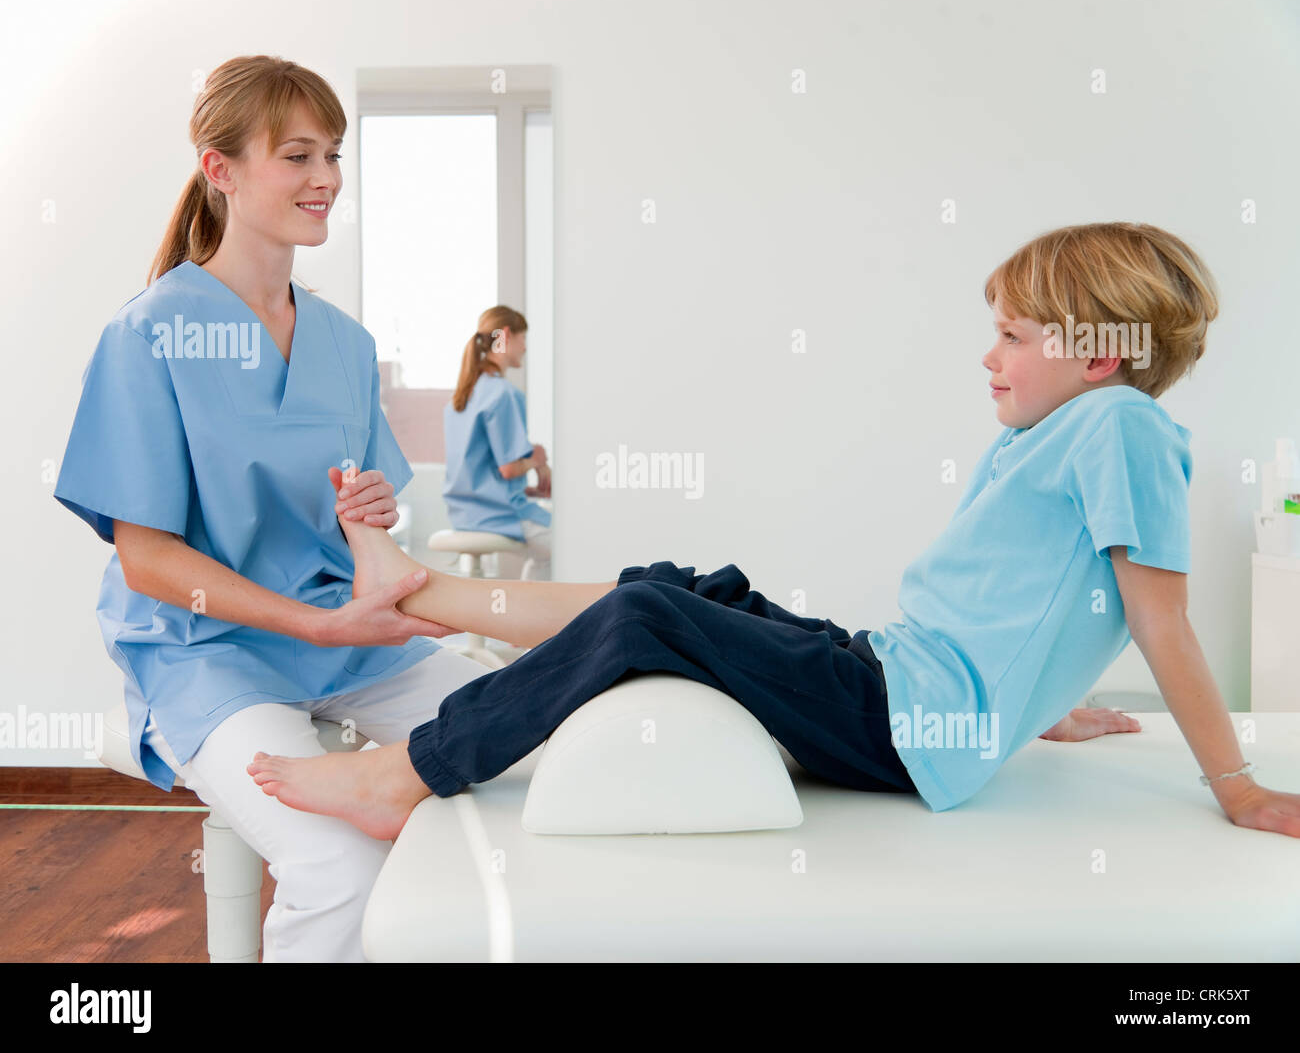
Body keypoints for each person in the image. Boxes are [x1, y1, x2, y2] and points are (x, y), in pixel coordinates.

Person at [247, 222, 1300, 841]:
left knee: (652, 614)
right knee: (689, 586)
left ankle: (410, 772)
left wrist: (1236, 785)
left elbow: (1160, 620)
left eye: (1013, 337)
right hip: (887, 673)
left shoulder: (1118, 426)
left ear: (1100, 352)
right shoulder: (1064, 432)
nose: (991, 357)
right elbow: (1040, 604)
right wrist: (1037, 704)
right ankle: (419, 592)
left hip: (900, 724)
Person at [53, 54, 496, 962]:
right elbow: (151, 562)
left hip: (345, 637)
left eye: (333, 155)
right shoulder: (149, 336)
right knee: (337, 863)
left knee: (516, 753)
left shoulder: (343, 342)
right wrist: (318, 627)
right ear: (221, 169)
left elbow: (362, 521)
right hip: (208, 652)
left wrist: (366, 519)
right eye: (297, 156)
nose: (327, 178)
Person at [442, 306, 552, 581]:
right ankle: (535, 618)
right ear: (505, 335)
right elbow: (508, 469)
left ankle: (531, 614)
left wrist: (525, 487)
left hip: (465, 513)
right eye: (523, 337)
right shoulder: (502, 393)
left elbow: (481, 471)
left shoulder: (463, 396)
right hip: (499, 514)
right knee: (569, 546)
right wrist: (537, 460)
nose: (525, 347)